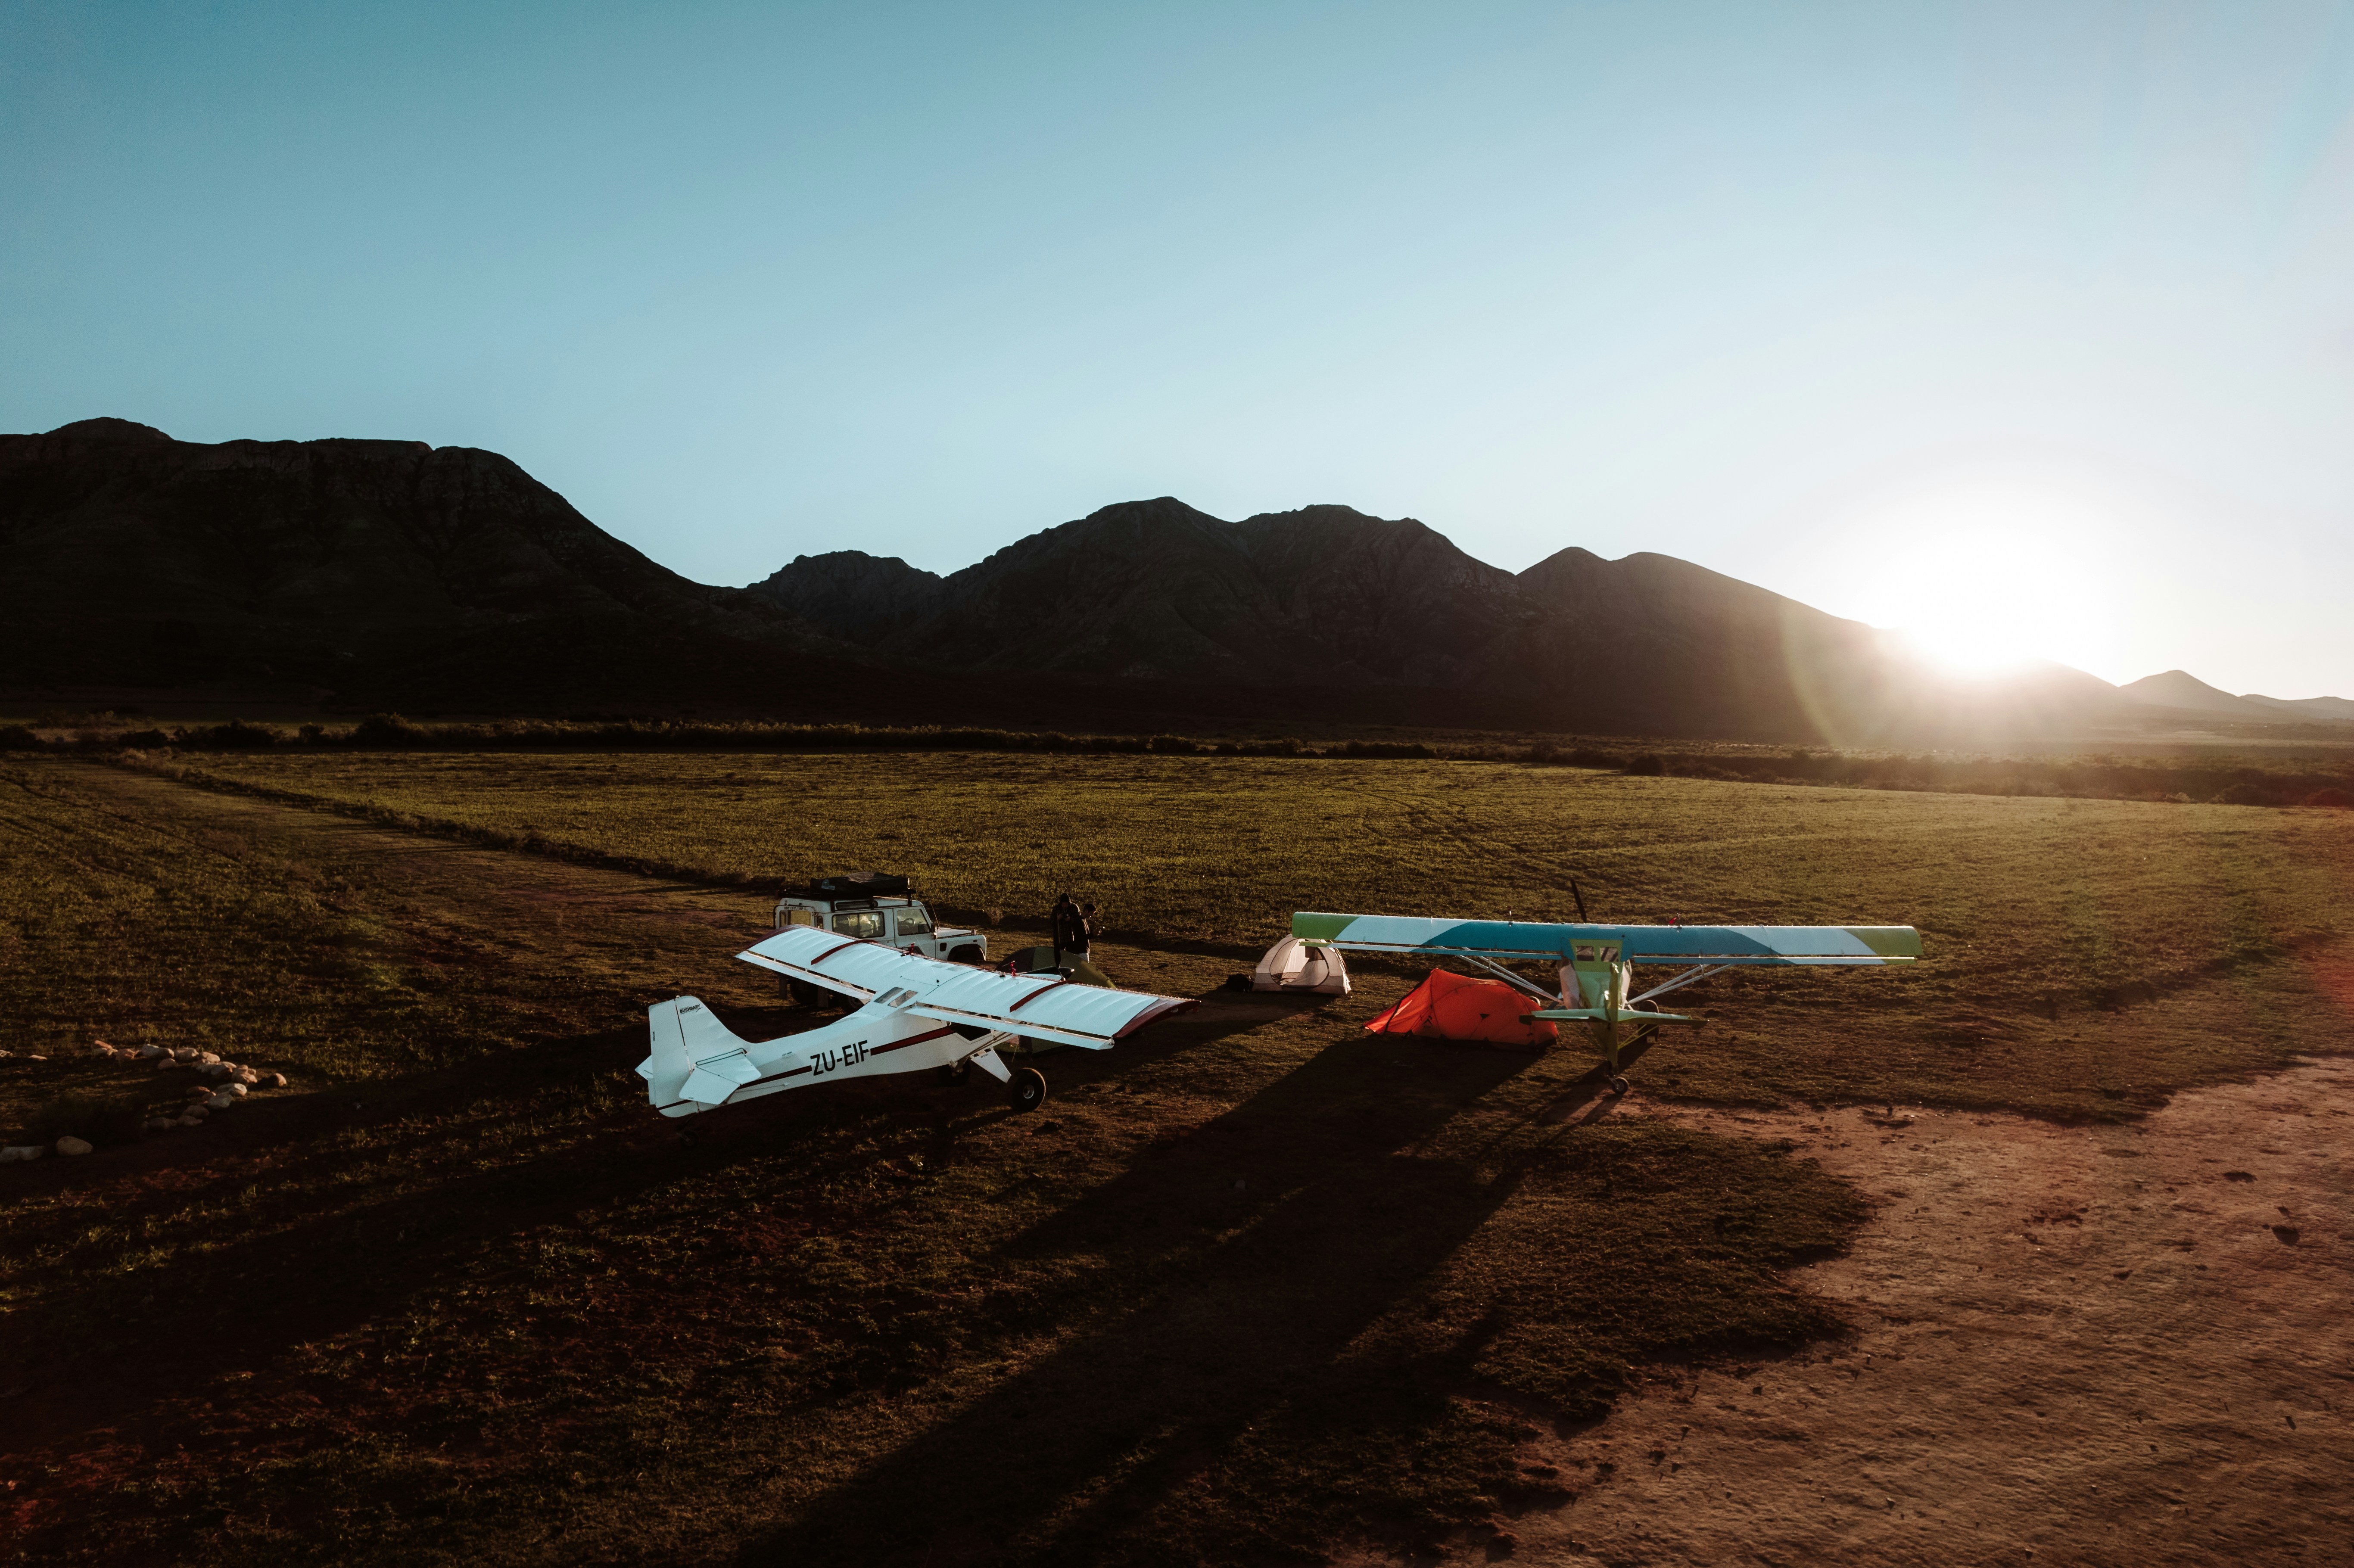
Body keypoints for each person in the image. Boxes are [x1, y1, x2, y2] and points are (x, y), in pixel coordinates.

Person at [1050, 892, 1083, 967]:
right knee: (1059, 956)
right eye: (1063, 905)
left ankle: (1071, 967)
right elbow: (1051, 921)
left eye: (1066, 905)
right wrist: (1057, 919)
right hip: (1060, 937)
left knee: (1071, 955)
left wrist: (1070, 920)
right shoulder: (1056, 909)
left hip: (1071, 936)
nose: (1065, 906)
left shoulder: (1074, 908)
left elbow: (1079, 921)